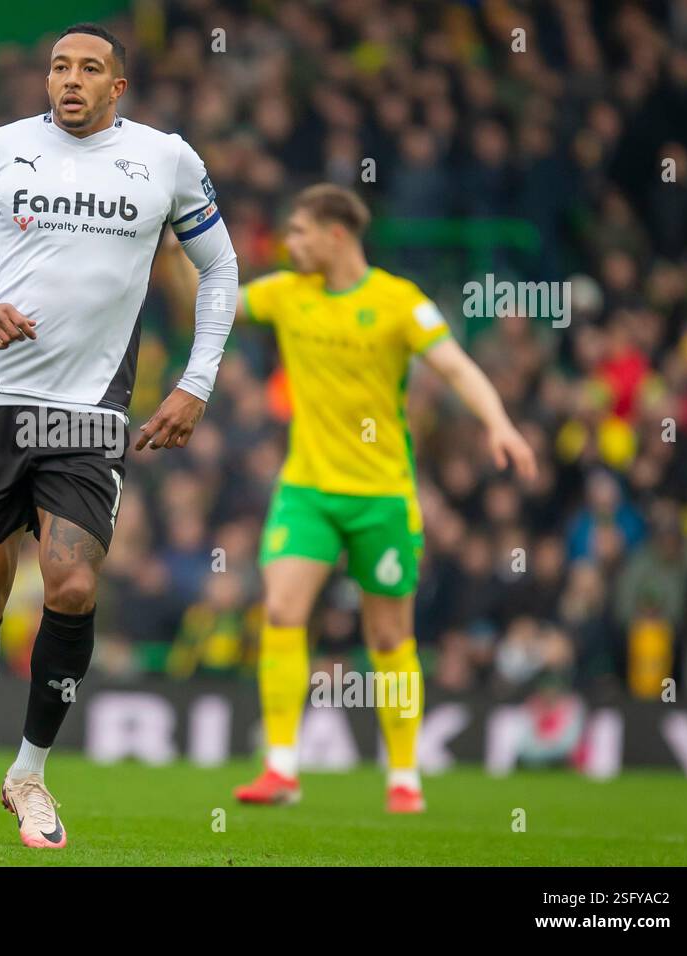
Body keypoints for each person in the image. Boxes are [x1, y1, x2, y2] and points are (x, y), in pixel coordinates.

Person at [0, 23, 238, 847]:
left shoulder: (166, 159)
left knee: (69, 589)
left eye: (89, 68)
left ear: (117, 87)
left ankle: (29, 775)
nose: (70, 79)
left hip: (91, 415)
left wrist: (195, 383)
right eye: (60, 66)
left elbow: (220, 270)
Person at [214, 184, 535, 812]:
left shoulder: (397, 303)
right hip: (307, 490)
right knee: (281, 611)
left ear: (336, 235)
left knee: (388, 636)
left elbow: (458, 366)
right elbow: (215, 303)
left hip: (382, 495)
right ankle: (281, 769)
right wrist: (175, 254)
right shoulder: (285, 293)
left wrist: (497, 421)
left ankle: (405, 774)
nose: (291, 243)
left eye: (301, 232)